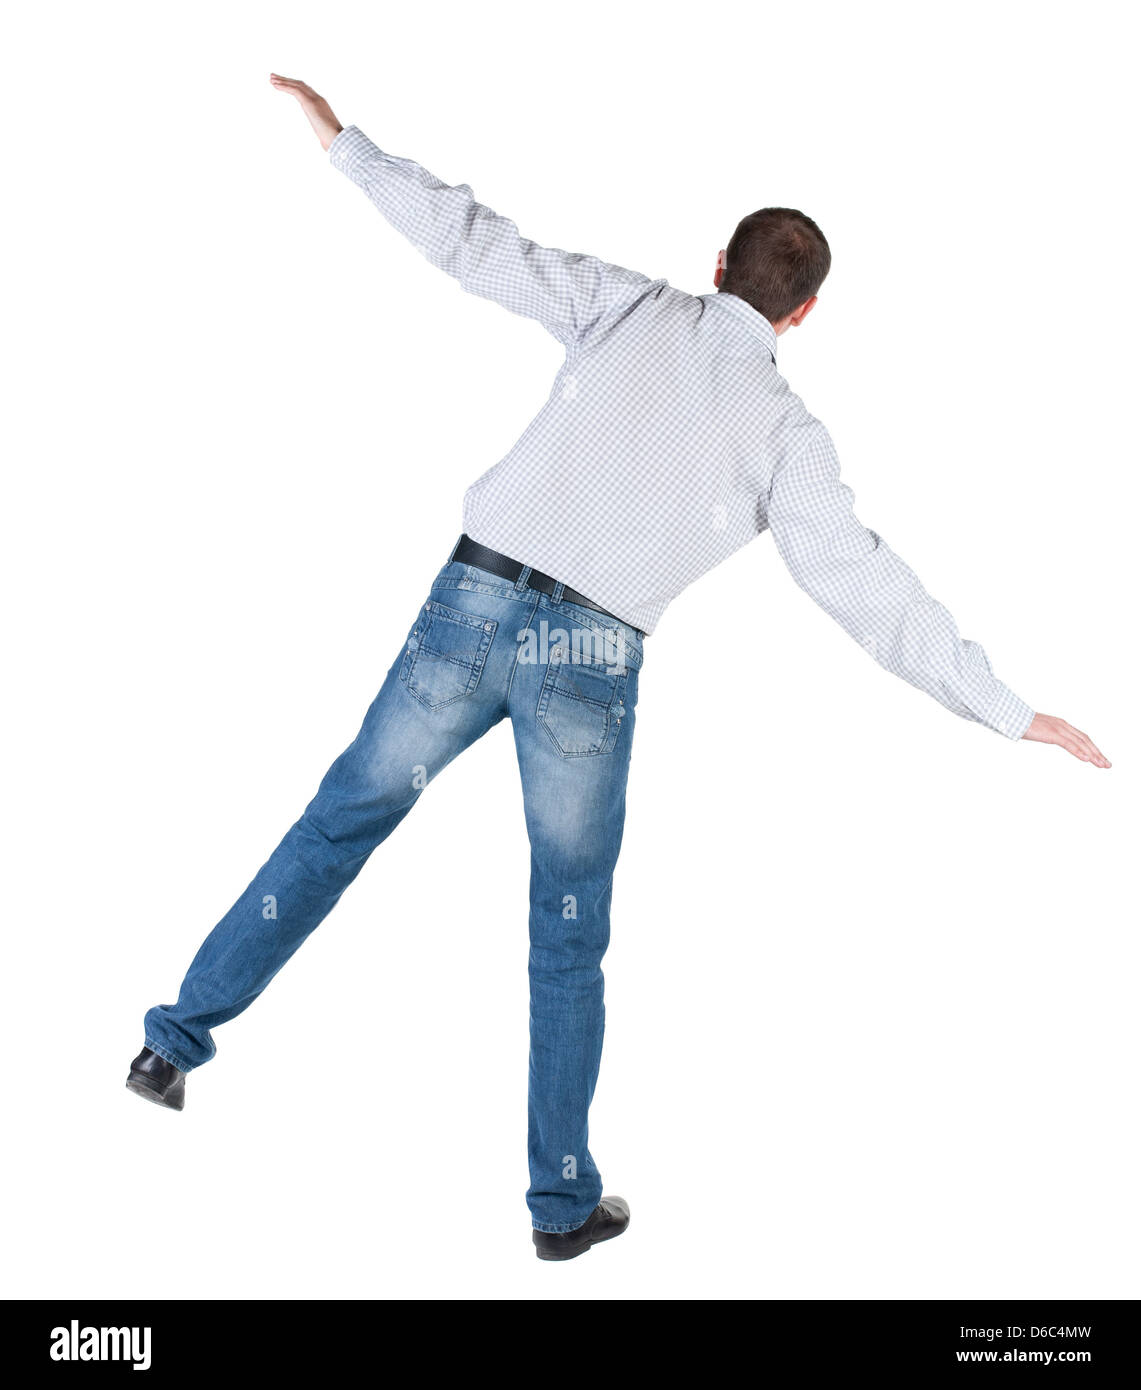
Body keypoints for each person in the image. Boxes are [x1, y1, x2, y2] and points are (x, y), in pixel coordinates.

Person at [126, 74, 1111, 1262]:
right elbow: (864, 584)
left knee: (337, 824)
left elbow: (473, 242)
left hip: (472, 600)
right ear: (802, 315)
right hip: (588, 659)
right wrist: (1007, 710)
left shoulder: (626, 305)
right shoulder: (784, 434)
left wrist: (344, 144)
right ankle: (557, 1206)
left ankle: (170, 1046)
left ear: (719, 264)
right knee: (565, 929)